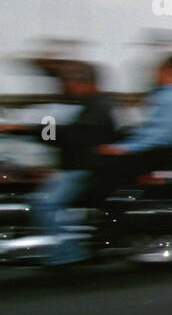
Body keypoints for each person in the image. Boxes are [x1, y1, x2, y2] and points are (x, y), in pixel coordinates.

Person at [6, 61, 118, 264]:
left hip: (84, 171)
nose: (68, 87)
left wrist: (22, 129)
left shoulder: (99, 107)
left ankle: (70, 252)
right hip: (74, 168)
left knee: (44, 203)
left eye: (71, 83)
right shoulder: (89, 105)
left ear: (85, 83)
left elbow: (71, 136)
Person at [95, 53, 172, 182]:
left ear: (167, 70)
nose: (152, 75)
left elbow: (161, 135)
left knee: (98, 165)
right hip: (167, 155)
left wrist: (124, 148)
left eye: (156, 71)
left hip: (158, 157)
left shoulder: (171, 98)